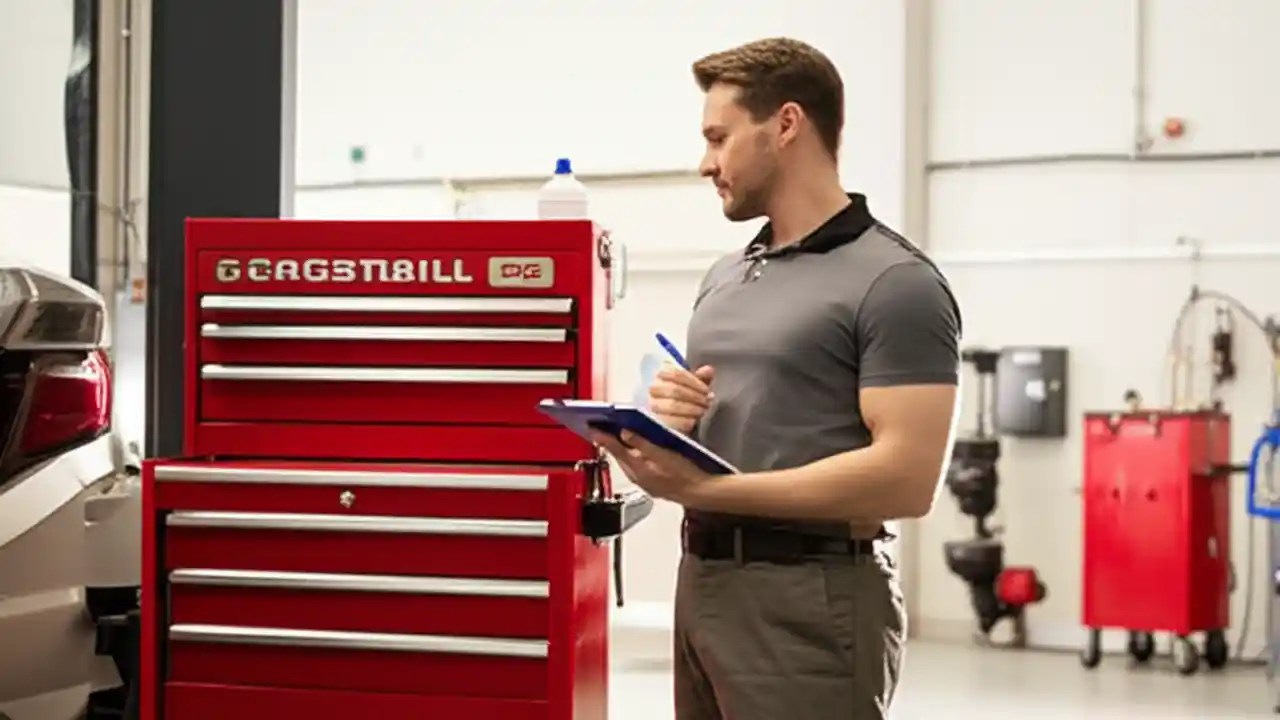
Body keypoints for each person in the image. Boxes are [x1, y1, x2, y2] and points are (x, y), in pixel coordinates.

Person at [591, 37, 962, 719]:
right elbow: (751, 423)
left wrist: (712, 489)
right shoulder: (726, 276)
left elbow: (908, 478)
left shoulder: (896, 282)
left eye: (719, 138)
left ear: (786, 124)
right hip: (703, 581)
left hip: (811, 595)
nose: (706, 163)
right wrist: (673, 420)